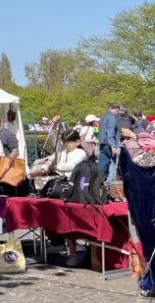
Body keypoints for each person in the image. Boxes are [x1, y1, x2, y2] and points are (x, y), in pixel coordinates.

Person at [52, 131, 90, 265]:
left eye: (68, 142)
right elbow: (54, 143)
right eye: (64, 142)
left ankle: (84, 251)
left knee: (78, 221)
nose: (65, 145)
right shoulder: (63, 152)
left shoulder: (81, 153)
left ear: (78, 142)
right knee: (67, 222)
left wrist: (55, 166)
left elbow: (71, 166)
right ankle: (72, 251)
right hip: (65, 188)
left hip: (79, 190)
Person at [99, 103, 122, 183]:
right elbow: (110, 133)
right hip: (109, 145)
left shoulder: (103, 117)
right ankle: (109, 183)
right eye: (118, 111)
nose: (118, 113)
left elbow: (99, 132)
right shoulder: (112, 117)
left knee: (102, 166)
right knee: (113, 165)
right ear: (116, 109)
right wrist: (113, 146)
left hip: (102, 144)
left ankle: (99, 183)